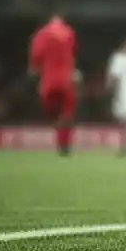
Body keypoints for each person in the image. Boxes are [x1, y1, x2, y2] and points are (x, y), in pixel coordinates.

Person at [29, 8, 79, 156]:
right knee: (67, 112)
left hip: (49, 81)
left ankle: (59, 139)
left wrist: (36, 72)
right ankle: (65, 143)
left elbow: (36, 58)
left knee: (54, 114)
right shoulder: (69, 32)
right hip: (66, 80)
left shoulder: (41, 34)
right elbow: (73, 55)